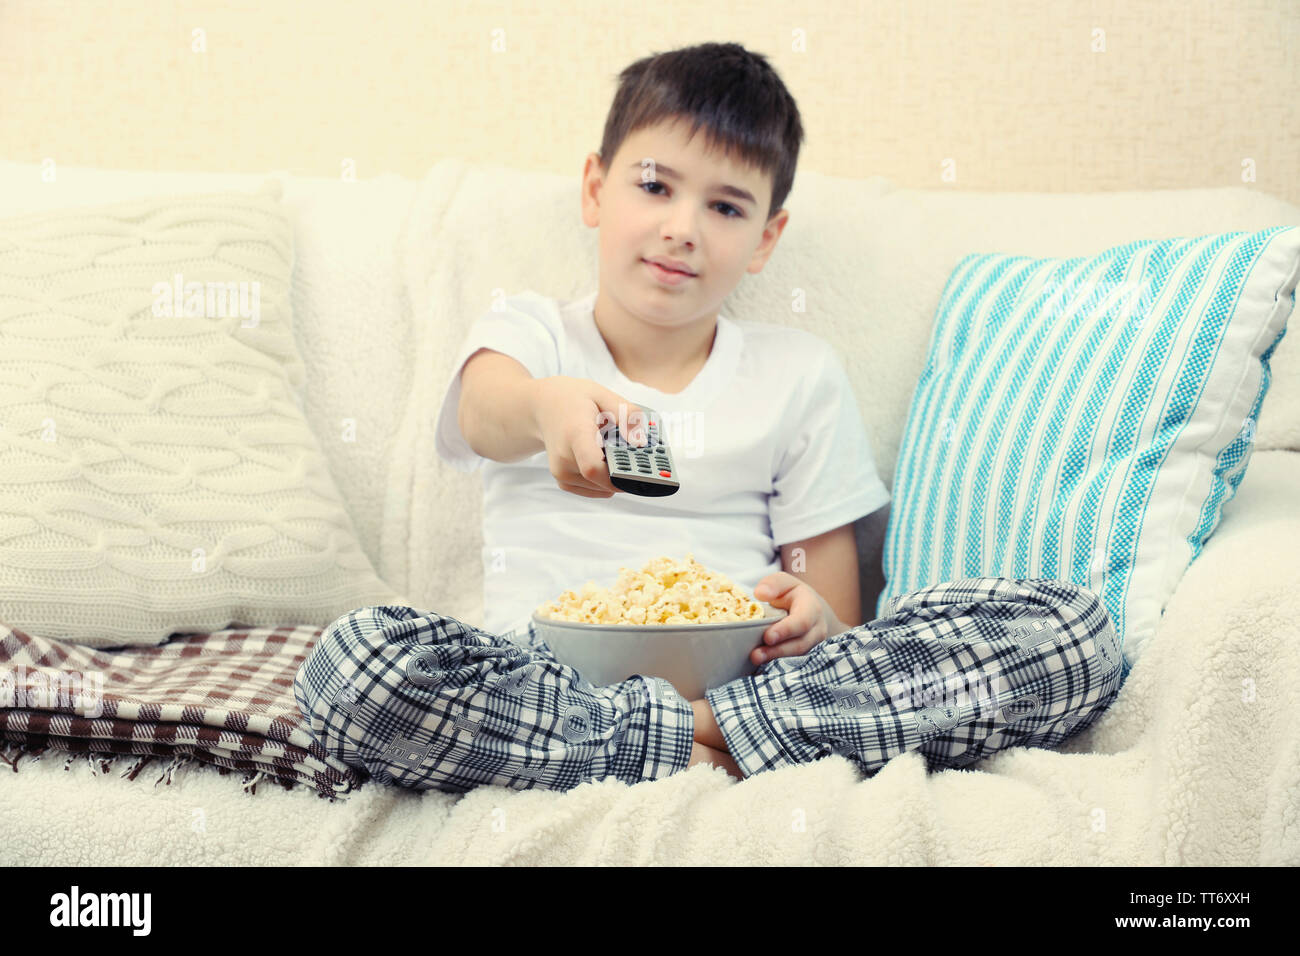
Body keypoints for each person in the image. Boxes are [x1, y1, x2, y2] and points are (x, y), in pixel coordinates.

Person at [294, 42, 1123, 795]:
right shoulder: (532, 332)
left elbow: (827, 613)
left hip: (752, 676)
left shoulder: (795, 375)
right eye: (653, 187)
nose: (681, 229)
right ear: (595, 188)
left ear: (767, 238)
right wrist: (548, 406)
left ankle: (696, 737)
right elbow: (484, 412)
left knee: (1072, 634)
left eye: (726, 209)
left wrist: (814, 620)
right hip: (547, 679)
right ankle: (716, 745)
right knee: (356, 666)